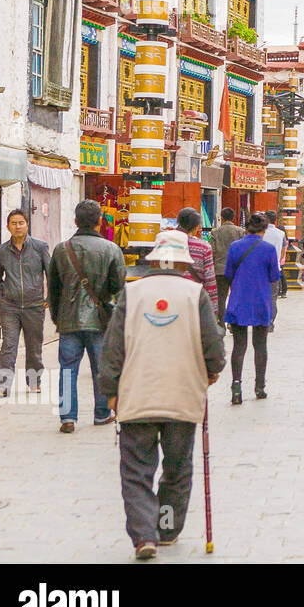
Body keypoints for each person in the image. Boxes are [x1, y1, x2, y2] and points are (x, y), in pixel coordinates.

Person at [97, 229, 225, 560]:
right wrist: (211, 371)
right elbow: (214, 347)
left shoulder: (133, 291)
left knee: (136, 470)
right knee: (177, 468)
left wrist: (110, 389)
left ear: (154, 260)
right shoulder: (195, 293)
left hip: (136, 395)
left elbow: (112, 348)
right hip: (182, 396)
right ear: (184, 264)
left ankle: (144, 536)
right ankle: (166, 529)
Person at [47, 199, 125, 432]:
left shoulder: (62, 249)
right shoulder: (112, 249)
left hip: (68, 321)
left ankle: (68, 418)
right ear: (100, 221)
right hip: (101, 322)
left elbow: (53, 288)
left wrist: (57, 316)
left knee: (67, 369)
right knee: (101, 369)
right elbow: (118, 287)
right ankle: (101, 414)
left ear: (75, 221)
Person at [223, 213, 282, 404]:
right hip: (261, 301)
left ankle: (236, 386)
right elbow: (274, 276)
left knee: (239, 346)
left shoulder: (235, 247)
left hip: (239, 300)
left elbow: (228, 273)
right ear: (264, 230)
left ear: (246, 228)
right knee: (260, 345)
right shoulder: (269, 249)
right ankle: (259, 386)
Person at [0, 209, 50, 398]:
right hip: (10, 307)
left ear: (27, 224)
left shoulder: (40, 247)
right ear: (8, 227)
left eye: (21, 222)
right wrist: (0, 300)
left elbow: (51, 274)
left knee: (34, 346)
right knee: (8, 345)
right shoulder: (2, 250)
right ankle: (2, 385)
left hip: (34, 306)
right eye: (14, 223)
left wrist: (50, 299)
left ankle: (34, 382)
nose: (17, 226)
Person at [176, 208, 218, 312]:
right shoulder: (204, 247)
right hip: (194, 300)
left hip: (171, 299)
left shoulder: (167, 243)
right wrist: (214, 309)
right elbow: (210, 280)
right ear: (196, 227)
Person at [209, 208, 244, 320]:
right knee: (236, 297)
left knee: (221, 298)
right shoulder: (240, 232)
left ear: (221, 218)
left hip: (220, 270)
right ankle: (234, 323)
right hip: (236, 270)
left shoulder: (215, 232)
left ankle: (220, 324)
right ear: (233, 218)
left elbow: (212, 252)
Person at [263, 210, 288, 311]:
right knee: (273, 297)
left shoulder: (261, 232)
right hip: (275, 268)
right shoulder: (281, 234)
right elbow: (283, 252)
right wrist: (277, 260)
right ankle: (270, 321)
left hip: (261, 270)